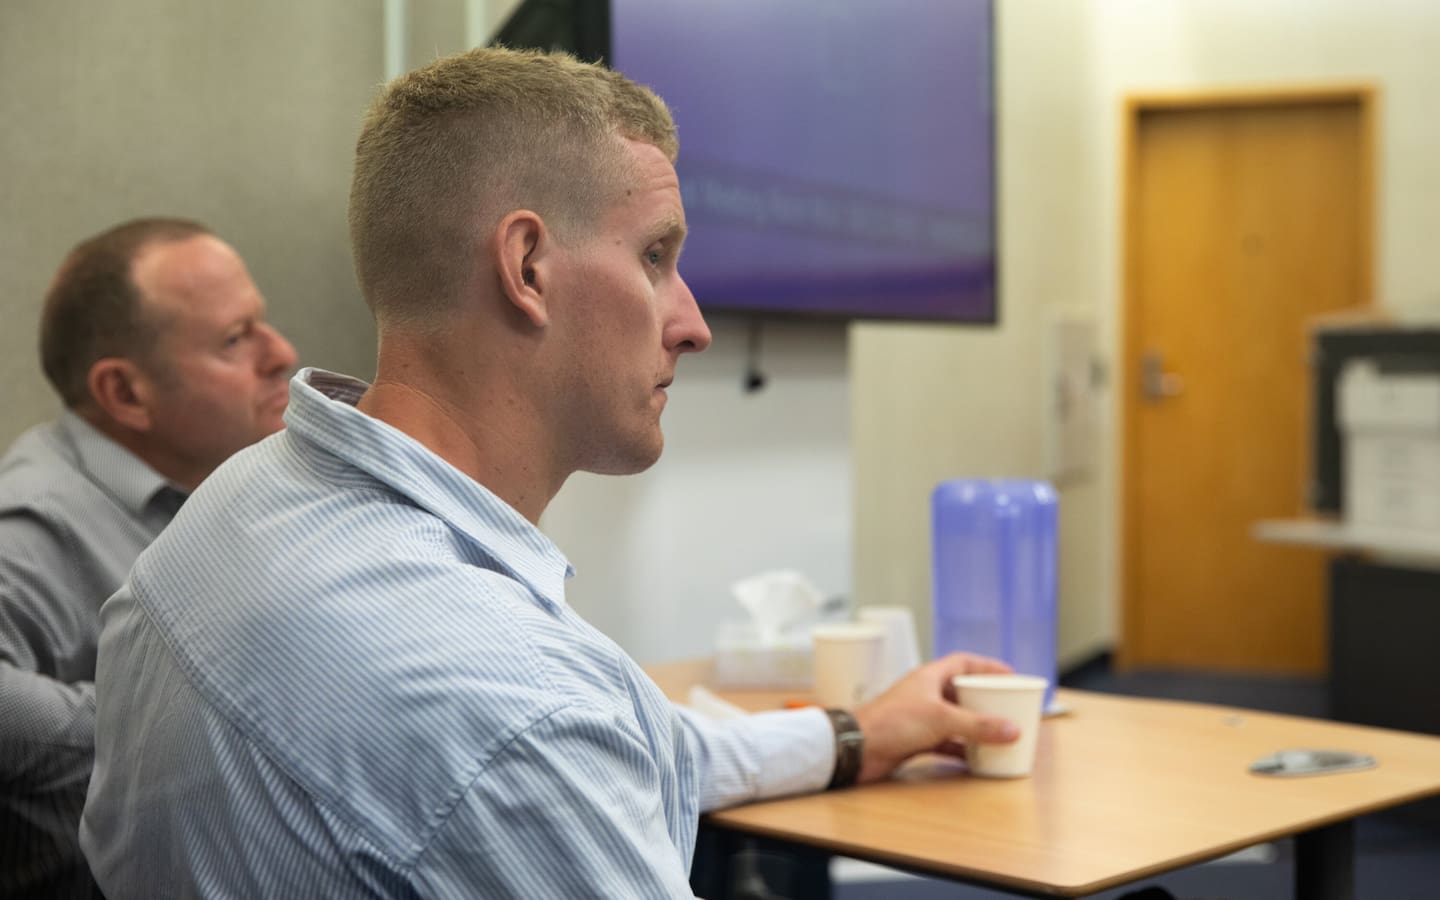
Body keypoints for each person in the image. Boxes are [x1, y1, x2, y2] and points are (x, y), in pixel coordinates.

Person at [80, 48, 1019, 897]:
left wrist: (853, 735)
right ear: (527, 267)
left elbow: (616, 750)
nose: (691, 324)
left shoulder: (230, 513)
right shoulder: (505, 703)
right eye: (656, 257)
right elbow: (531, 744)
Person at [0, 218, 298, 897]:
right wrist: (172, 721)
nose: (280, 352)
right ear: (125, 395)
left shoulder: (218, 485)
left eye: (262, 323)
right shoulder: (35, 525)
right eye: (234, 339)